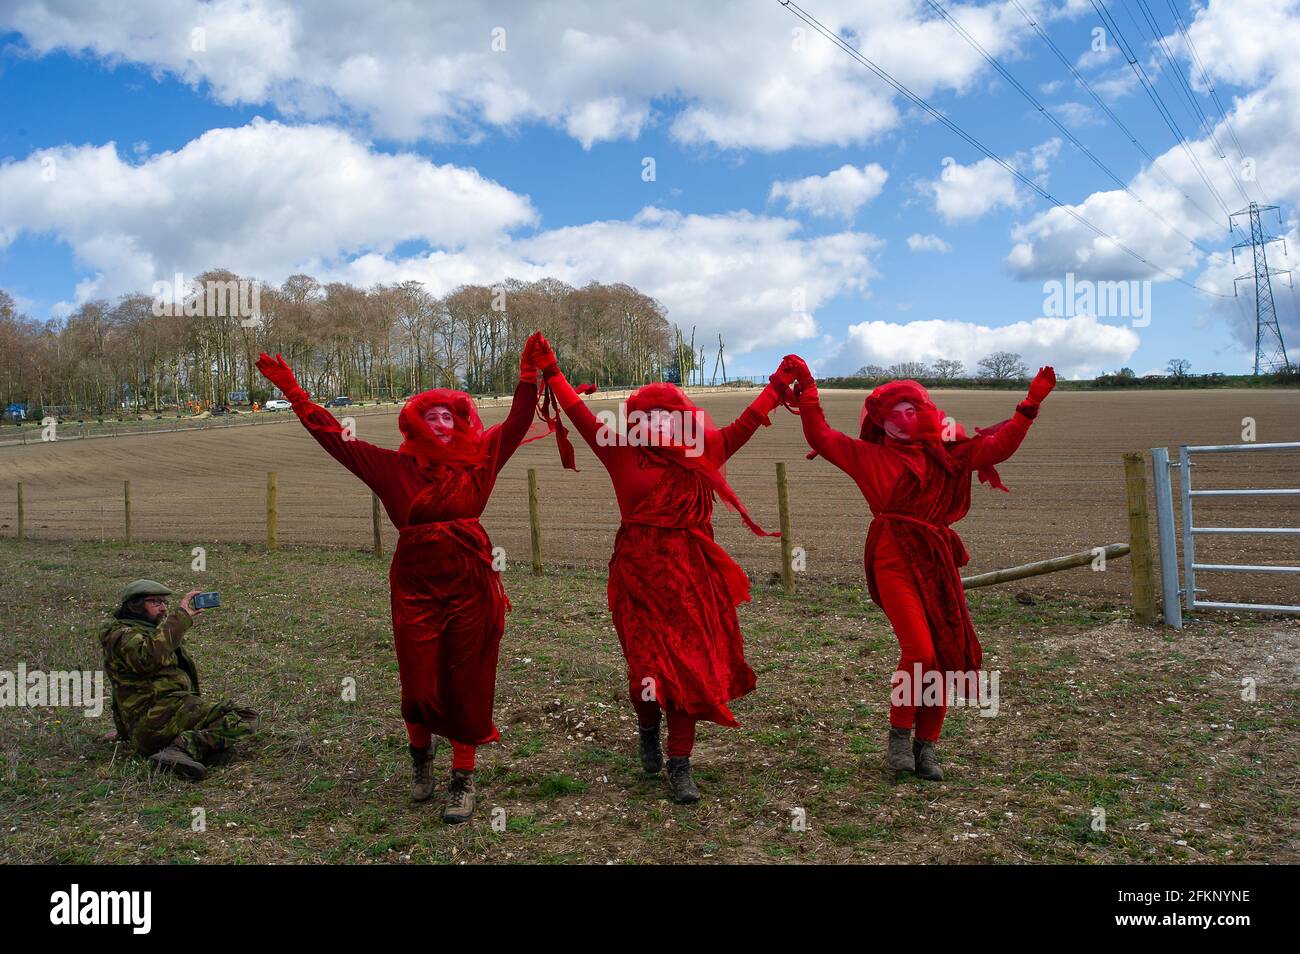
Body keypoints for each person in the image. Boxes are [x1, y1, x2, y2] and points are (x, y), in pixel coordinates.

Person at [256, 337, 554, 823]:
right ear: (415, 422)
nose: (441, 423)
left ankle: (463, 779)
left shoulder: (481, 459)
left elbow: (520, 420)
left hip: (470, 584)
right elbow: (334, 436)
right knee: (418, 683)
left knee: (467, 680)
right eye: (431, 416)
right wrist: (293, 391)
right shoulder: (391, 468)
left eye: (450, 416)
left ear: (462, 421)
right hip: (416, 585)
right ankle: (422, 763)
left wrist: (528, 373)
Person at [527, 335, 783, 803]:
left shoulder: (707, 454)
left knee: (686, 671)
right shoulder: (620, 452)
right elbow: (582, 418)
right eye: (651, 415)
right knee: (645, 672)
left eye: (671, 414)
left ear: (684, 419)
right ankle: (647, 727)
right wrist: (552, 372)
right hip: (639, 576)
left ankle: (679, 762)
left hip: (692, 579)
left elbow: (747, 423)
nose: (662, 423)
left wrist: (778, 385)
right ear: (638, 421)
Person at [782, 355, 1055, 780]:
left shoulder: (949, 456)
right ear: (881, 421)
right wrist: (810, 394)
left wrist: (1028, 407)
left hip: (936, 559)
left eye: (912, 411)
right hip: (893, 557)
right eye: (895, 414)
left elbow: (998, 446)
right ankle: (898, 738)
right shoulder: (866, 456)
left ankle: (927, 748)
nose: (904, 420)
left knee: (945, 653)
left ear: (924, 414)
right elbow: (821, 435)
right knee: (920, 651)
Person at [100, 579, 259, 780]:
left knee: (223, 742)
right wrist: (180, 618)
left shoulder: (143, 632)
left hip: (158, 719)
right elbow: (148, 658)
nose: (163, 608)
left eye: (164, 603)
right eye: (155, 602)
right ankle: (179, 749)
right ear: (134, 606)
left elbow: (122, 692)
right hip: (159, 720)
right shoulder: (122, 635)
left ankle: (188, 750)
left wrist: (124, 732)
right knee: (246, 717)